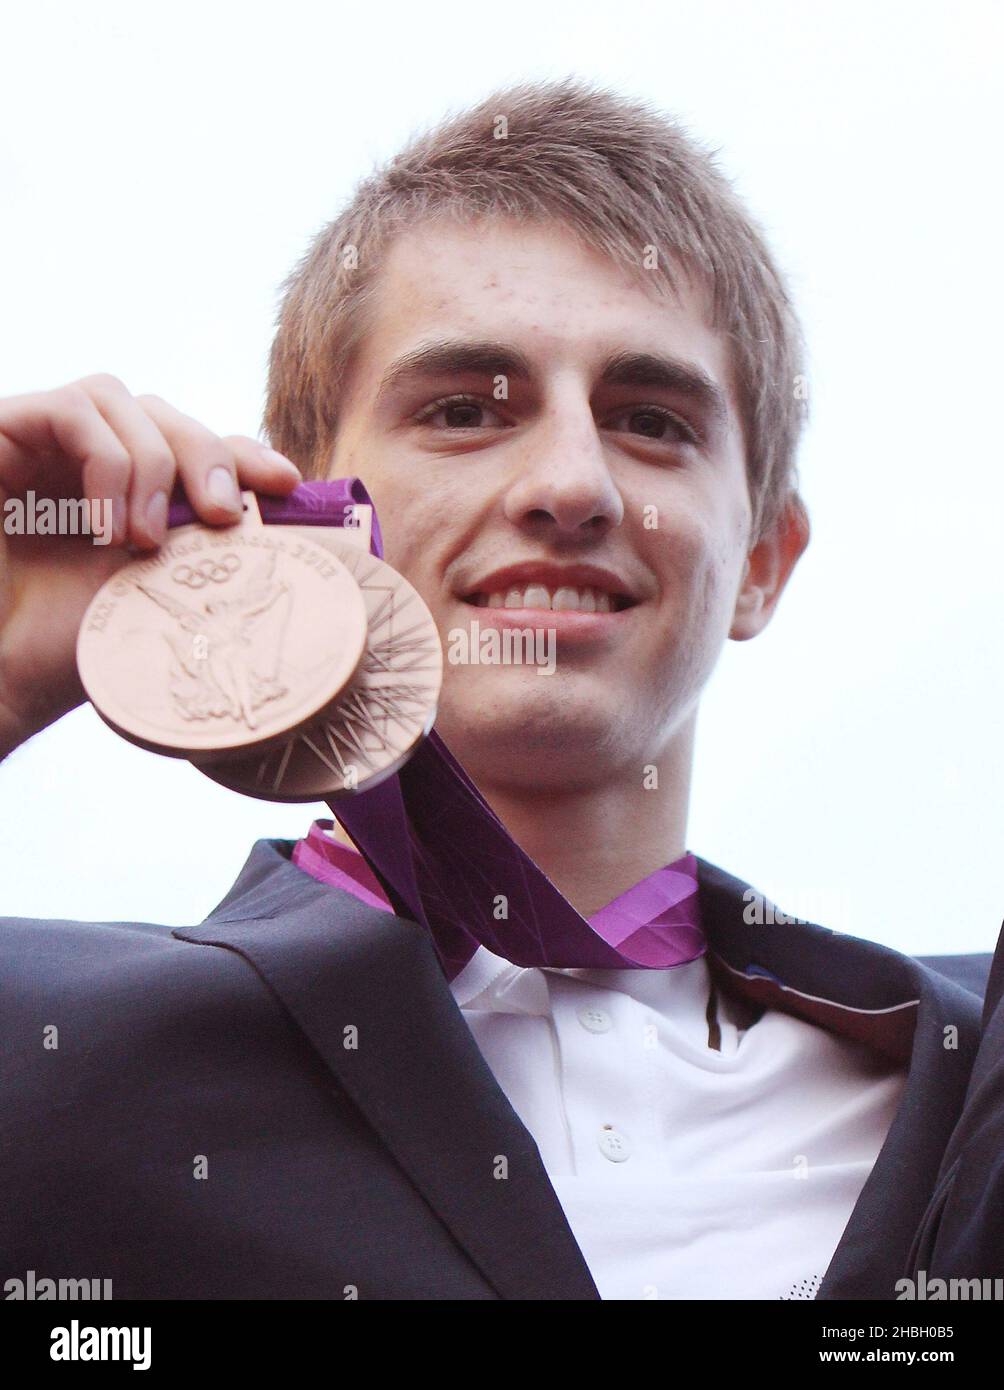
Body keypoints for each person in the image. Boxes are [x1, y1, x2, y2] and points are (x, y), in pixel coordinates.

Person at [0, 78, 998, 1302]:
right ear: (296, 518)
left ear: (759, 562)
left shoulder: (967, 1075)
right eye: (465, 410)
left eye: (649, 419)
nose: (569, 483)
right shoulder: (40, 1048)